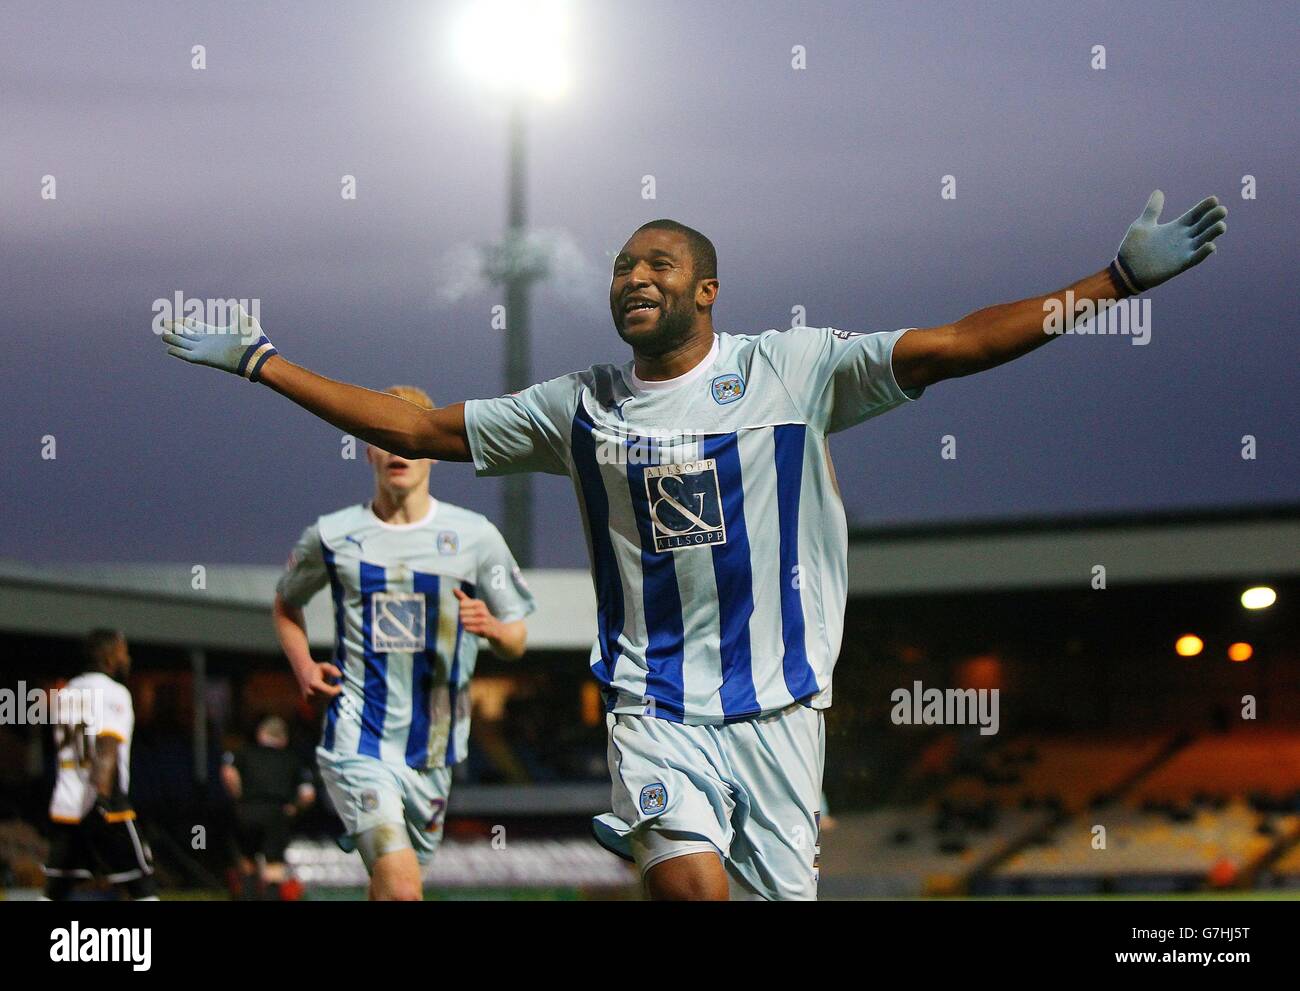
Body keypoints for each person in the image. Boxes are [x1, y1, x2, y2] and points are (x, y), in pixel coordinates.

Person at [160, 194, 1228, 899]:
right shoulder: (576, 404)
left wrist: (1110, 285)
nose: (634, 276)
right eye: (623, 266)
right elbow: (416, 425)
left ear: (706, 289)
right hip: (655, 706)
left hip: (779, 711)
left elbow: (954, 345)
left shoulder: (795, 369)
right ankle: (658, 828)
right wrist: (263, 359)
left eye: (658, 264)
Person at [271, 384, 534, 901]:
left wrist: (495, 629)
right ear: (368, 445)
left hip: (434, 751)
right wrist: (303, 666)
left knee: (391, 887)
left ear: (433, 447)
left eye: (406, 432)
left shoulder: (475, 537)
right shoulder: (332, 535)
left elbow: (518, 637)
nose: (396, 450)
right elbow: (286, 603)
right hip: (357, 739)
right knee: (401, 889)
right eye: (381, 435)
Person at [43, 629, 158, 900]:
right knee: (142, 884)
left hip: (67, 804)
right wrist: (104, 801)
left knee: (55, 891)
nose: (127, 658)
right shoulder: (113, 692)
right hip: (101, 802)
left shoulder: (67, 691)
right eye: (123, 651)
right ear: (109, 656)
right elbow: (106, 744)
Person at [220, 714, 315, 900]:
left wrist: (239, 797)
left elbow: (228, 773)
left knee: (247, 862)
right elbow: (308, 795)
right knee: (274, 865)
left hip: (248, 811)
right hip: (276, 813)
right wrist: (294, 808)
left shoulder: (244, 753)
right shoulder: (293, 759)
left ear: (260, 734)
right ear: (283, 738)